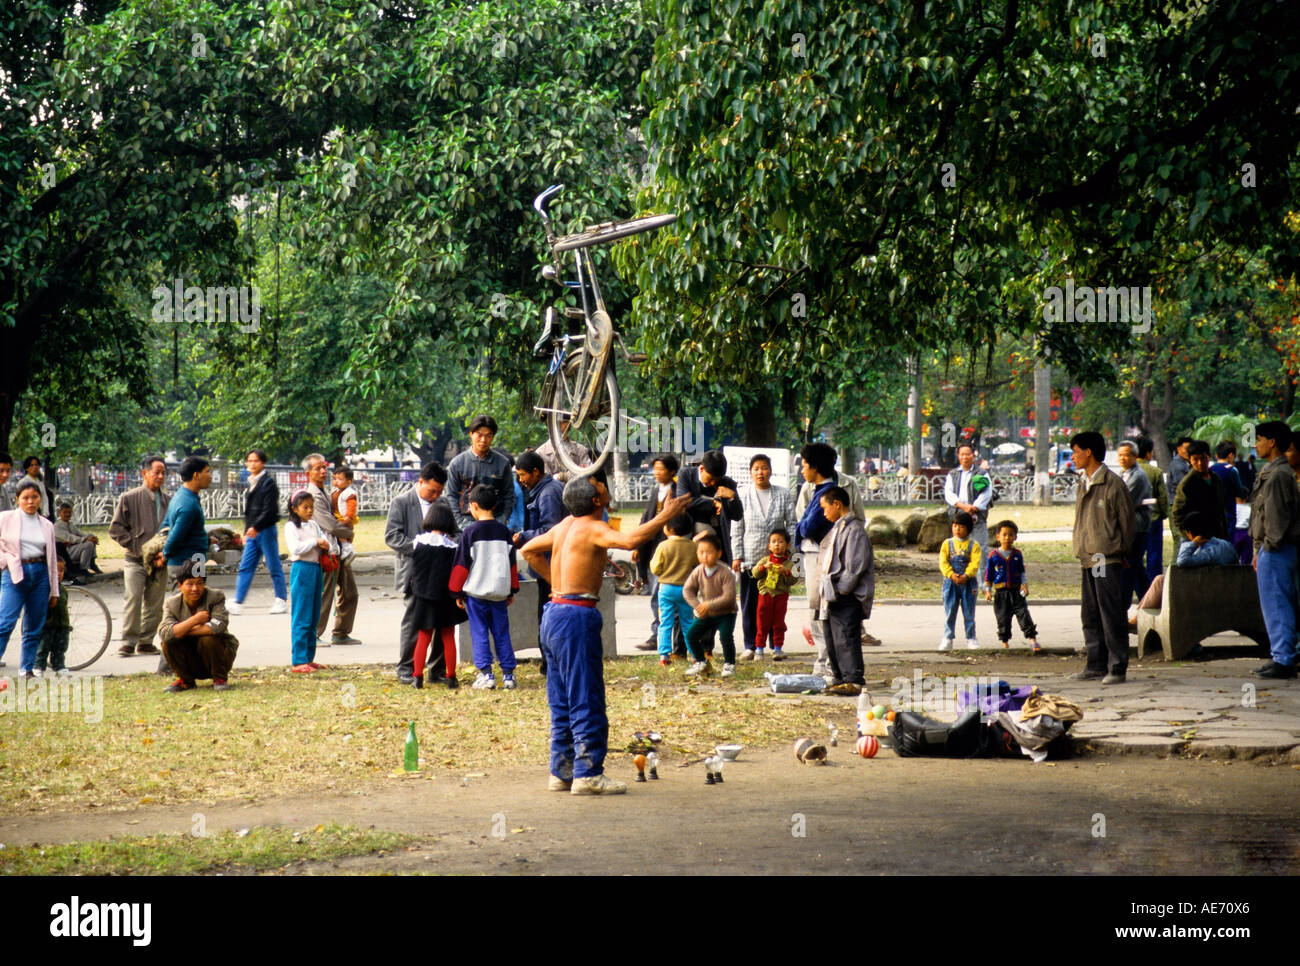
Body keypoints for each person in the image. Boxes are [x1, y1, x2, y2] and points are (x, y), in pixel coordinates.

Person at [520, 479, 691, 795]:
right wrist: (666, 514)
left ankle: (562, 772)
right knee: (586, 696)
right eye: (602, 487)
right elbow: (629, 541)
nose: (607, 488)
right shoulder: (591, 526)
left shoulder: (564, 526)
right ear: (597, 501)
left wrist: (556, 581)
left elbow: (529, 549)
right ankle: (587, 773)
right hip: (574, 615)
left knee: (562, 699)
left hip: (554, 611)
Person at [1071, 431, 1135, 685]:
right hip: (1088, 557)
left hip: (1104, 557)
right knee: (1090, 612)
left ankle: (1117, 666)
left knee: (1110, 613)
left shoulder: (1112, 484)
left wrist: (1123, 552)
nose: (1073, 456)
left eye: (1076, 451)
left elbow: (1127, 523)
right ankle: (1095, 664)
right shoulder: (1083, 481)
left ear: (1089, 452)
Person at [448, 485, 520, 690]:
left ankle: (486, 675)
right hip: (499, 592)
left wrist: (456, 591)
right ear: (495, 506)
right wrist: (512, 589)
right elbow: (511, 564)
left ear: (474, 506)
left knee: (479, 632)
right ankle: (508, 675)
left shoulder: (469, 533)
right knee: (502, 632)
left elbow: (461, 566)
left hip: (476, 593)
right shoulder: (504, 532)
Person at [385, 461, 449, 685]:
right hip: (413, 571)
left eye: (439, 492)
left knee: (443, 622)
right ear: (419, 481)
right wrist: (422, 547)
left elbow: (455, 532)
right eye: (432, 490)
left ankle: (438, 669)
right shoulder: (401, 502)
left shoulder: (443, 503)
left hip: (440, 573)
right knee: (413, 621)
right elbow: (392, 536)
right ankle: (407, 667)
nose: (435, 495)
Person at [731, 453, 797, 656]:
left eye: (764, 468)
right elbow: (736, 527)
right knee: (750, 604)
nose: (760, 472)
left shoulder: (783, 494)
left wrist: (790, 552)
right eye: (756, 468)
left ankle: (774, 646)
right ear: (750, 472)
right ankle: (750, 646)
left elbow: (792, 524)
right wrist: (737, 555)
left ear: (771, 470)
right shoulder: (742, 494)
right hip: (752, 558)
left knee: (775, 605)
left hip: (777, 560)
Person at [1249, 421, 1300, 679]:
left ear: (1272, 442)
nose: (1256, 444)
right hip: (1272, 548)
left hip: (1277, 549)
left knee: (1278, 603)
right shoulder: (1273, 472)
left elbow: (1276, 519)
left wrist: (1266, 547)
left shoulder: (1279, 475)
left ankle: (1284, 659)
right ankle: (1280, 654)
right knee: (1274, 603)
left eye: (1259, 439)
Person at [109, 456, 170, 657]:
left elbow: (174, 530)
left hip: (160, 561)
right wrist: (137, 547)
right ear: (144, 473)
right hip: (135, 560)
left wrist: (164, 552)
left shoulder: (169, 500)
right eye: (156, 472)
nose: (161, 476)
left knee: (155, 603)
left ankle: (146, 641)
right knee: (133, 599)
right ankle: (128, 641)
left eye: (163, 473)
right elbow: (116, 528)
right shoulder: (129, 497)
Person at [816, 487, 874, 696]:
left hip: (846, 595)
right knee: (833, 636)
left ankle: (853, 680)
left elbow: (855, 567)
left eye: (825, 508)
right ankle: (840, 677)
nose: (824, 513)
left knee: (846, 637)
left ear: (837, 505)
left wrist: (841, 591)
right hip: (834, 593)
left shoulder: (855, 530)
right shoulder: (838, 528)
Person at [0, 480, 61, 676]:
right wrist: (7, 560)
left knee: (34, 625)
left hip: (40, 573)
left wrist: (54, 590)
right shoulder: (5, 518)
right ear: (17, 499)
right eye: (25, 498)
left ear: (40, 499)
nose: (30, 502)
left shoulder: (46, 525)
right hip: (15, 573)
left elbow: (51, 559)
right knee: (5, 622)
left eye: (34, 497)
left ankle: (26, 669)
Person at [1131, 512, 1239, 619]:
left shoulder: (1207, 551)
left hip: (1202, 595)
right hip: (1225, 592)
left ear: (1190, 533)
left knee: (1160, 581)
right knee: (1161, 580)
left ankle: (1138, 619)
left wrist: (1193, 543)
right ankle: (1137, 618)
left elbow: (1182, 561)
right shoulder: (1226, 545)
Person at [304, 453, 361, 648]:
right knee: (326, 595)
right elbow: (330, 525)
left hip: (337, 547)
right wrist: (348, 532)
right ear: (308, 473)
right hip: (326, 550)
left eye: (324, 467)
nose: (323, 471)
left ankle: (341, 632)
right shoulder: (312, 495)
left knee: (350, 592)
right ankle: (315, 634)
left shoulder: (328, 492)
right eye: (317, 468)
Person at [158, 558, 238, 693]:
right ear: (179, 585)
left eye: (200, 583)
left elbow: (218, 627)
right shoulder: (171, 604)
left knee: (208, 639)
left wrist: (181, 630)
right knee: (168, 643)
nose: (195, 589)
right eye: (190, 584)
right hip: (189, 658)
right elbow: (165, 633)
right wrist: (194, 620)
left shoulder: (216, 597)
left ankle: (219, 678)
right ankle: (186, 681)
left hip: (217, 657)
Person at [408, 502, 465, 689]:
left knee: (423, 637)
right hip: (445, 597)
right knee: (448, 637)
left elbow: (414, 569)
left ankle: (417, 676)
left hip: (424, 596)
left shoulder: (418, 542)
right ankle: (451, 677)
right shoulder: (452, 547)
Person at [513, 450, 566, 643]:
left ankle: (548, 662)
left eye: (523, 475)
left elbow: (550, 531)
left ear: (535, 472)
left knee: (548, 615)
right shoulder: (549, 488)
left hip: (550, 563)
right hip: (553, 562)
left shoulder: (548, 494)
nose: (521, 480)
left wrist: (524, 536)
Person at [631, 454, 681, 651]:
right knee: (655, 595)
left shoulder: (677, 492)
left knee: (667, 595)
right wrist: (637, 545)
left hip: (671, 550)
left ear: (672, 471)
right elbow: (646, 520)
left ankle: (669, 635)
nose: (657, 473)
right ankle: (658, 634)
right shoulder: (655, 492)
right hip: (653, 551)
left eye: (661, 469)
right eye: (655, 469)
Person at [229, 449, 287, 616]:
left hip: (266, 530)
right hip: (253, 532)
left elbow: (270, 511)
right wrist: (247, 531)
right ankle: (238, 601)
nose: (252, 464)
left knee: (273, 564)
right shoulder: (252, 482)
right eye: (249, 461)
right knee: (246, 566)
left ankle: (281, 599)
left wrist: (256, 527)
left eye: (256, 461)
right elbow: (250, 512)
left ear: (262, 463)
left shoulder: (268, 484)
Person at [284, 488, 331, 673]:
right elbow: (295, 548)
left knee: (313, 617)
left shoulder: (313, 525)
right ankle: (299, 660)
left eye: (311, 507)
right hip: (301, 569)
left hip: (316, 568)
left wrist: (325, 544)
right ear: (295, 508)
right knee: (301, 616)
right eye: (305, 507)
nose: (309, 511)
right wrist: (315, 542)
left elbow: (324, 541)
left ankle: (309, 658)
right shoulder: (291, 527)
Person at [682, 531, 739, 678]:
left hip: (726, 613)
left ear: (718, 553)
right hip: (707, 613)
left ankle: (729, 664)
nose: (705, 556)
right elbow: (687, 590)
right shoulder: (698, 571)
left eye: (709, 552)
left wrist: (708, 605)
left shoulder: (725, 572)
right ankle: (700, 661)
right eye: (701, 552)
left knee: (726, 637)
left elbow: (729, 597)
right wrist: (697, 606)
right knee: (691, 635)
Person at [445, 415, 514, 532]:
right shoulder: (457, 464)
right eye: (479, 435)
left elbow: (509, 496)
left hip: (495, 524)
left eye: (488, 436)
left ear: (493, 437)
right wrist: (461, 523)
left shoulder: (503, 464)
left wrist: (501, 521)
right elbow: (451, 495)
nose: (483, 440)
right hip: (464, 526)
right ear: (471, 434)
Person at [983, 519, 1040, 652]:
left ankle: (1032, 640)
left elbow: (1021, 571)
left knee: (1024, 614)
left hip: (1016, 591)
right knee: (1003, 618)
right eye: (1004, 534)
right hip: (1001, 592)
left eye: (1010, 535)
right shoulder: (993, 555)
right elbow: (988, 575)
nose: (1007, 538)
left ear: (1015, 537)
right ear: (998, 536)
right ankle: (1005, 643)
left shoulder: (1017, 554)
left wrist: (1024, 584)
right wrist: (987, 591)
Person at [943, 443, 994, 591]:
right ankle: (959, 581)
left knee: (981, 550)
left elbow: (987, 493)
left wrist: (974, 507)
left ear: (973, 455)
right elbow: (949, 494)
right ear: (958, 456)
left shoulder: (981, 473)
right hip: (959, 518)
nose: (965, 457)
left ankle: (983, 585)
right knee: (957, 551)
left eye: (968, 454)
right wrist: (963, 507)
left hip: (977, 518)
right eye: (962, 454)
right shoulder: (953, 474)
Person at [676, 450, 742, 562]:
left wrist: (732, 497)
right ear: (701, 469)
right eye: (710, 479)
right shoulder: (686, 475)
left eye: (717, 481)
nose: (713, 484)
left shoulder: (727, 483)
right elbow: (683, 501)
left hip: (717, 545)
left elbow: (737, 515)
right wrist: (712, 504)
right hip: (690, 541)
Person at [649, 514, 698, 665]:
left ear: (669, 529)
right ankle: (696, 655)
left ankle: (664, 655)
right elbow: (696, 563)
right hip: (686, 589)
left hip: (666, 589)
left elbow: (655, 568)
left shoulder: (663, 546)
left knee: (665, 622)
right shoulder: (692, 546)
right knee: (688, 622)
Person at [745, 528, 797, 661]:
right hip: (765, 595)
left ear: (788, 545)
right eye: (773, 542)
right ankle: (759, 649)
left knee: (779, 623)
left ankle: (777, 648)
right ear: (769, 546)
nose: (777, 544)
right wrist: (763, 567)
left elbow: (793, 580)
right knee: (762, 622)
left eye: (780, 542)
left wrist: (786, 572)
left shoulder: (789, 563)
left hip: (781, 596)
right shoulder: (765, 560)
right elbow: (755, 574)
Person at [161, 456, 212, 582]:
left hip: (191, 559)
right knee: (192, 597)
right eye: (207, 472)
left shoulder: (180, 496)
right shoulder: (188, 504)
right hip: (189, 562)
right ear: (196, 475)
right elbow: (176, 536)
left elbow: (165, 525)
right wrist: (164, 555)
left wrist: (208, 540)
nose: (210, 476)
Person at [1116, 441, 1153, 604]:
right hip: (1130, 527)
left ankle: (1121, 608)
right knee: (1137, 570)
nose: (1122, 458)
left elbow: (1124, 502)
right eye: (1120, 455)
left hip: (1137, 528)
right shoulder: (1122, 473)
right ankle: (1151, 602)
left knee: (1129, 570)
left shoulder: (1137, 476)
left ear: (1135, 456)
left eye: (1126, 454)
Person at [939, 510, 981, 651]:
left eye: (961, 526)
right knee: (950, 610)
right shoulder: (947, 544)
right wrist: (951, 574)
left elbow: (975, 564)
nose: (957, 529)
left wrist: (966, 575)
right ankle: (948, 638)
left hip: (968, 583)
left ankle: (971, 638)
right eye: (955, 525)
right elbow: (943, 562)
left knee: (969, 612)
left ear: (968, 529)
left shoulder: (973, 546)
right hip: (950, 583)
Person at [1171, 441, 1228, 541]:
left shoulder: (1216, 479)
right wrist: (1190, 536)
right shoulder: (1187, 484)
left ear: (1209, 456)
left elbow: (1221, 508)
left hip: (1218, 535)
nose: (1200, 463)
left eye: (1203, 458)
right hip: (1198, 538)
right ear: (1189, 460)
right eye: (1195, 459)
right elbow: (1177, 514)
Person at [1209, 441, 1250, 564]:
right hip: (1228, 512)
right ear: (1231, 455)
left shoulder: (1210, 469)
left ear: (1216, 455)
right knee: (1227, 545)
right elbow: (1239, 491)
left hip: (1212, 513)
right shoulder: (1232, 470)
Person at [1136, 437, 1169, 584]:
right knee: (1154, 555)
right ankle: (1154, 586)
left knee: (1136, 555)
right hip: (1153, 519)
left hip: (1134, 521)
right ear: (1149, 453)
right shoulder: (1155, 472)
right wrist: (1163, 513)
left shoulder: (1128, 472)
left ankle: (1137, 585)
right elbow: (1162, 496)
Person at [34, 549, 71, 676]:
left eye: (62, 571)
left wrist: (66, 625)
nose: (59, 574)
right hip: (47, 625)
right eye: (57, 571)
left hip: (62, 625)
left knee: (60, 647)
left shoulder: (63, 589)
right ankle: (39, 666)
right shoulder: (45, 589)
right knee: (43, 647)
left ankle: (59, 666)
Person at [53, 498, 100, 580]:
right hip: (66, 551)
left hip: (74, 548)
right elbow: (70, 538)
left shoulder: (70, 525)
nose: (68, 514)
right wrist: (85, 539)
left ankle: (92, 563)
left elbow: (81, 534)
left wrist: (90, 537)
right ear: (60, 513)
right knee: (88, 544)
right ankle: (83, 568)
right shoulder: (57, 526)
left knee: (90, 536)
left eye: (69, 512)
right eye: (65, 512)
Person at [331, 465, 359, 564]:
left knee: (341, 533)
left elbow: (352, 505)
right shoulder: (336, 491)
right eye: (334, 479)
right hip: (338, 516)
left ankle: (348, 549)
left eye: (340, 479)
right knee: (340, 534)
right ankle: (347, 552)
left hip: (345, 517)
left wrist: (348, 516)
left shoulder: (349, 493)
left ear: (348, 482)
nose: (336, 481)